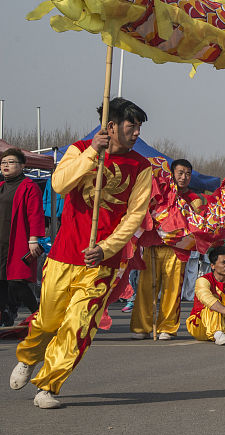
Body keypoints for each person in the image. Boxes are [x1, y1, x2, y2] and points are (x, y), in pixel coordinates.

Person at [10, 98, 153, 409]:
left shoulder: (142, 167)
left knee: (79, 325)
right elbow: (60, 185)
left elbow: (135, 215)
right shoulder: (80, 149)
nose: (137, 133)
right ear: (111, 127)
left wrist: (106, 249)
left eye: (140, 127)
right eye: (132, 126)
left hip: (103, 262)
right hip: (64, 255)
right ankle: (29, 356)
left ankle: (48, 385)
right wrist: (92, 153)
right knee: (48, 321)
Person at [131, 158, 205, 340]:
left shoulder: (194, 200)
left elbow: (196, 223)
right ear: (172, 174)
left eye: (188, 174)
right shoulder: (160, 192)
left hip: (177, 250)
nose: (184, 177)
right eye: (180, 173)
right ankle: (142, 327)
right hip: (153, 246)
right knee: (146, 287)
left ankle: (167, 327)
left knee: (172, 289)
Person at [0, 148, 45, 327]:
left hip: (19, 242)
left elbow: (36, 214)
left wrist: (34, 239)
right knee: (2, 282)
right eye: (3, 162)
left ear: (22, 166)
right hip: (1, 243)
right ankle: (6, 316)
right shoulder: (1, 187)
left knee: (18, 282)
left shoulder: (29, 187)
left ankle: (39, 315)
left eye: (11, 162)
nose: (6, 165)